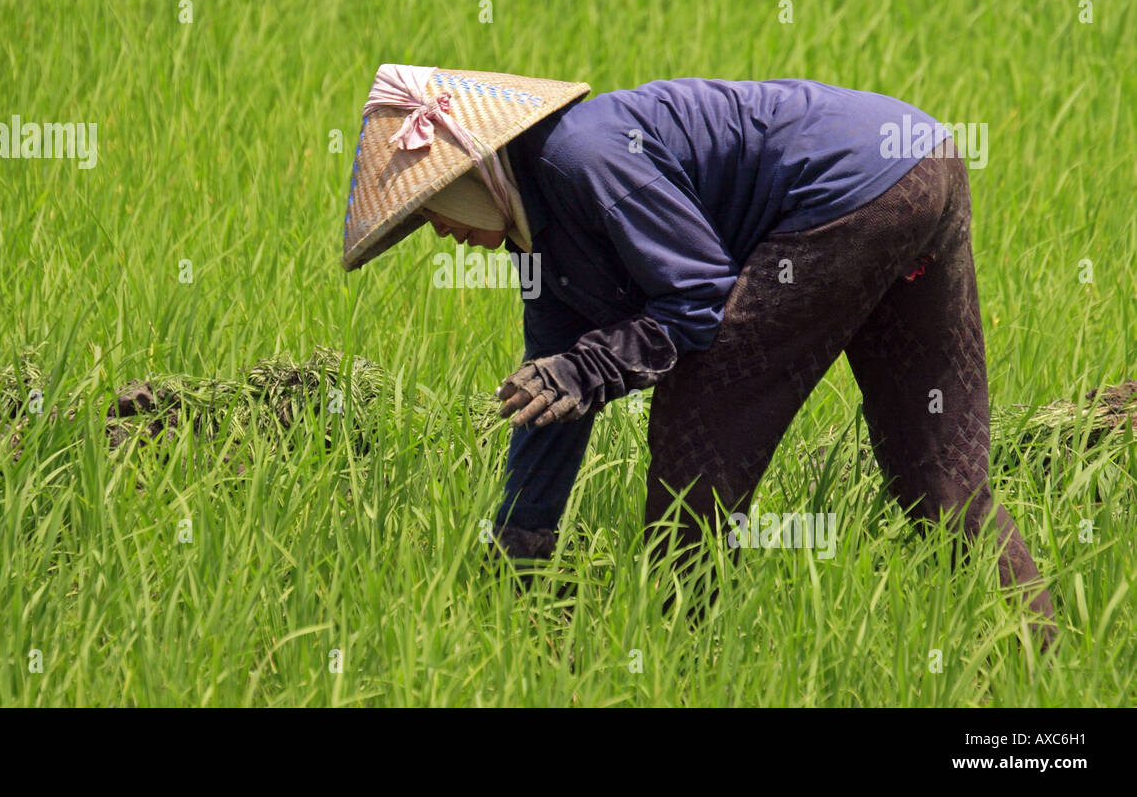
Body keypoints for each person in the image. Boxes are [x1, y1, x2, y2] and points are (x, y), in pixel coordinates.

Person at [341, 63, 1057, 646]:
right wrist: (520, 543)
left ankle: (685, 663)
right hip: (919, 163)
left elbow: (697, 299)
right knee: (939, 475)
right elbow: (552, 395)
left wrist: (593, 367)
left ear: (479, 163)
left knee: (696, 437)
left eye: (432, 204)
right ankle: (1044, 666)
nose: (437, 230)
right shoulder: (547, 245)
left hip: (849, 188)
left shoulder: (582, 156)